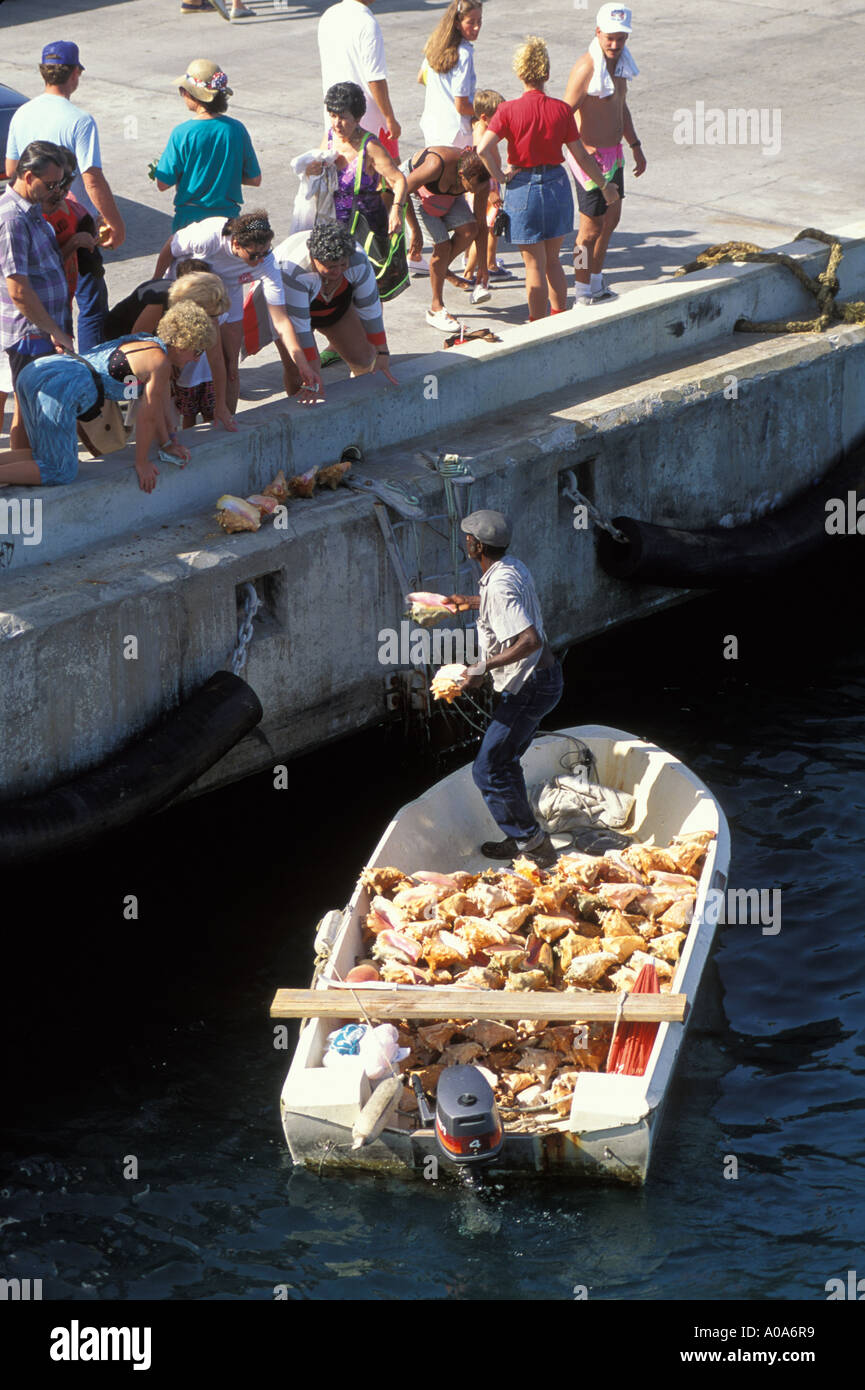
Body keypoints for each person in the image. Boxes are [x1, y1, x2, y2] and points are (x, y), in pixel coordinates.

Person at [0, 300, 215, 493]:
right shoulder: (161, 364)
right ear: (182, 343)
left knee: (42, 455)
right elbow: (146, 417)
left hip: (38, 370)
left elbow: (154, 408)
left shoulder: (146, 341)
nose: (196, 359)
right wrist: (141, 464)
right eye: (197, 351)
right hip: (60, 387)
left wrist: (167, 442)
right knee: (60, 470)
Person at [446, 509, 562, 868]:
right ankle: (521, 836)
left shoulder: (498, 583)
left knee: (488, 769)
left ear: (476, 545)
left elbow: (529, 640)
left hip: (531, 686)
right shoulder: (511, 567)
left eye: (467, 537)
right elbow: (510, 606)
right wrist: (470, 602)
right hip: (542, 680)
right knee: (505, 758)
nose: (465, 541)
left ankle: (534, 845)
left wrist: (481, 666)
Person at [477, 35, 619, 321]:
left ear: (520, 73)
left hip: (522, 187)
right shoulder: (561, 110)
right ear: (547, 74)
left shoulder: (507, 110)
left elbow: (482, 148)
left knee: (534, 266)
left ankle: (537, 324)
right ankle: (564, 310)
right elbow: (580, 154)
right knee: (555, 260)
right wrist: (604, 185)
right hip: (557, 185)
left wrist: (500, 177)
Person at [5, 41, 125, 351]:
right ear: (74, 73)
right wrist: (114, 223)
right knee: (91, 301)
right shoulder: (80, 119)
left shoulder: (22, 113)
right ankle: (89, 369)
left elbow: (10, 168)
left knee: (52, 295)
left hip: (35, 219)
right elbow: (92, 177)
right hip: (72, 221)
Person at [152, 209, 323, 411]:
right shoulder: (209, 236)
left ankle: (226, 417)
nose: (260, 260)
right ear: (235, 244)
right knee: (175, 357)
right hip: (185, 289)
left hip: (226, 295)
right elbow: (170, 247)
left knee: (230, 366)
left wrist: (302, 364)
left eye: (265, 252)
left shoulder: (267, 263)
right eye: (253, 255)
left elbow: (281, 322)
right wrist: (155, 285)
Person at [564, 4, 644, 305]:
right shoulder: (587, 67)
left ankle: (596, 282)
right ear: (597, 32)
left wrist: (635, 146)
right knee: (589, 229)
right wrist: (580, 149)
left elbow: (621, 106)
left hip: (615, 154)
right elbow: (564, 115)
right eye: (609, 38)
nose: (614, 45)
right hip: (589, 160)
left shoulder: (621, 64)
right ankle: (582, 292)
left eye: (621, 38)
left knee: (611, 219)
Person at [0, 141, 75, 450]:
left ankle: (26, 468)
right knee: (28, 411)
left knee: (29, 411)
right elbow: (19, 289)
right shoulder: (13, 219)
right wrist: (54, 330)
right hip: (30, 332)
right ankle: (21, 477)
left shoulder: (32, 211)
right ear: (29, 177)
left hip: (43, 329)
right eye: (51, 183)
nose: (56, 190)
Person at [272, 219, 396, 396]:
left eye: (343, 265)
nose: (338, 272)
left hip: (335, 306)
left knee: (364, 359)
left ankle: (359, 399)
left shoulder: (358, 259)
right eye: (330, 267)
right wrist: (312, 372)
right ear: (314, 259)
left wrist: (382, 352)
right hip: (290, 314)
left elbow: (370, 309)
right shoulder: (294, 271)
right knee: (299, 373)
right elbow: (300, 329)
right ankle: (301, 414)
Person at [108, 269, 234, 432]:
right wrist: (168, 366)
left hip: (157, 342)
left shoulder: (209, 312)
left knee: (164, 398)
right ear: (194, 306)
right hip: (123, 341)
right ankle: (133, 426)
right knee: (139, 395)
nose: (211, 321)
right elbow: (137, 346)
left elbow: (216, 359)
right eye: (209, 316)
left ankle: (164, 432)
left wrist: (221, 404)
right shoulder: (159, 300)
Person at [154, 60, 262, 231]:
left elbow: (162, 183)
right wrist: (225, 173)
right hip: (228, 224)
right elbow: (254, 179)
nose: (182, 94)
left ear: (192, 94)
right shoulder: (236, 129)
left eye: (183, 90)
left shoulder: (182, 133)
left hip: (189, 223)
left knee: (167, 259)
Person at [403, 146, 491, 331]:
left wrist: (482, 266)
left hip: (447, 195)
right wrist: (415, 230)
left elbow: (482, 225)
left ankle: (440, 269)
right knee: (442, 246)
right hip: (416, 193)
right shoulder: (435, 165)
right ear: (461, 175)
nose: (476, 192)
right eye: (471, 187)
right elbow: (401, 192)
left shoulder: (481, 182)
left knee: (470, 229)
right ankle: (436, 308)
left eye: (479, 188)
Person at [317, 83, 406, 238]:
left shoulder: (370, 146)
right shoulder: (330, 137)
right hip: (333, 226)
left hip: (365, 229)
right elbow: (317, 171)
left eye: (343, 117)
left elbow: (398, 180)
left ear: (357, 118)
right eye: (333, 115)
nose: (337, 123)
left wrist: (396, 210)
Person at [318, 0, 401, 160]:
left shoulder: (328, 16)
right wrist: (389, 118)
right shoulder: (367, 23)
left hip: (336, 118)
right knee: (390, 176)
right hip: (370, 120)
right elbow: (375, 78)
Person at [463, 90, 513, 283]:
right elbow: (481, 161)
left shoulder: (480, 127)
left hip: (484, 183)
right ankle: (474, 270)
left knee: (485, 228)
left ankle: (485, 264)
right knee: (487, 230)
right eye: (498, 116)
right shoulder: (482, 134)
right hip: (486, 184)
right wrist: (491, 191)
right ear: (485, 117)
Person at [418, 0, 482, 149]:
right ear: (457, 23)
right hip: (456, 134)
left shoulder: (436, 46)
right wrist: (485, 112)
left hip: (433, 128)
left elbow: (421, 77)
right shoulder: (464, 54)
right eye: (470, 22)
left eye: (479, 21)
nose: (477, 27)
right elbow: (461, 105)